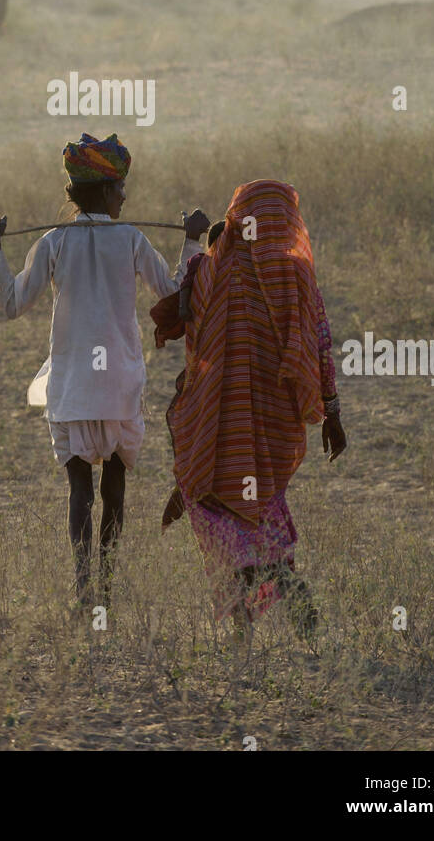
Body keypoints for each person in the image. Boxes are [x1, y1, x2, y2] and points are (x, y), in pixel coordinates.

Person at [0, 131, 209, 607]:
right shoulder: (131, 240)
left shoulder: (54, 242)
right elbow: (172, 293)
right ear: (104, 191)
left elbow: (12, 303)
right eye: (120, 187)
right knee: (116, 490)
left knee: (80, 490)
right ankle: (104, 588)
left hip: (72, 387)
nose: (125, 196)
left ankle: (84, 590)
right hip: (120, 384)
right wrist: (192, 241)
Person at [150, 179, 346, 639]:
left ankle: (242, 606)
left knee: (215, 501)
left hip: (217, 423)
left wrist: (199, 244)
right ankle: (276, 577)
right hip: (273, 425)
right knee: (263, 501)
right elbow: (320, 342)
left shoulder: (209, 268)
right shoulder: (295, 273)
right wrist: (332, 414)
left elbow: (175, 316)